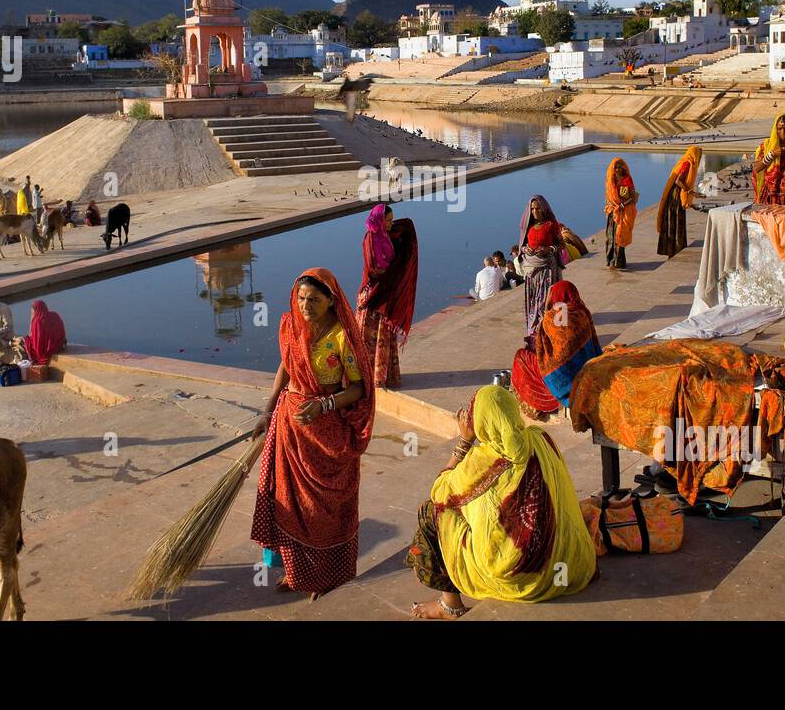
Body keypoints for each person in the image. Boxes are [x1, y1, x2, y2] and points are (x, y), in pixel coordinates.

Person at [405, 383, 596, 619]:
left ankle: (449, 605)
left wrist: (464, 442)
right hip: (567, 562)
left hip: (518, 574)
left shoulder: (484, 460)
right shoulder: (541, 437)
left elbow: (440, 490)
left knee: (431, 512)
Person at [251, 269, 374, 600]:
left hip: (324, 434)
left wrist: (323, 405)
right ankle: (296, 572)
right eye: (301, 298)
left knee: (321, 511)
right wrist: (267, 411)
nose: (305, 305)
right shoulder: (291, 325)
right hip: (288, 429)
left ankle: (327, 576)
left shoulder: (341, 337)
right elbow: (286, 366)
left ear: (331, 301)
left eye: (314, 300)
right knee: (288, 504)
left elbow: (359, 389)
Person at [510, 281, 603, 420]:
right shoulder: (581, 310)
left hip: (566, 377)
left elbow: (546, 345)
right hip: (585, 366)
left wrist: (548, 306)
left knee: (521, 357)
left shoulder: (555, 316)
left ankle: (535, 406)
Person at [356, 204, 418, 390]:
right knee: (368, 339)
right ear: (379, 221)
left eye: (391, 220)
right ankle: (366, 377)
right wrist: (397, 268)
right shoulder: (370, 239)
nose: (391, 224)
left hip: (385, 294)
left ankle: (383, 376)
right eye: (388, 221)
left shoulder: (386, 236)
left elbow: (405, 230)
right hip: (373, 297)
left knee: (383, 337)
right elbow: (376, 269)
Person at [519, 195, 564, 337]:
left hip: (547, 270)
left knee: (544, 300)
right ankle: (535, 331)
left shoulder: (551, 225)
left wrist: (549, 249)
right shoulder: (528, 226)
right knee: (534, 299)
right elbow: (523, 245)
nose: (535, 212)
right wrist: (527, 250)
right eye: (532, 209)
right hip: (532, 271)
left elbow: (561, 244)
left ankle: (546, 327)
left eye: (538, 209)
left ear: (544, 209)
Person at [656, 146, 701, 259]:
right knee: (675, 219)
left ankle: (674, 248)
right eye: (699, 155)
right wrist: (690, 192)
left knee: (675, 220)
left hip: (676, 194)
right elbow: (678, 180)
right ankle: (674, 248)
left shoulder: (686, 162)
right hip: (676, 196)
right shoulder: (687, 164)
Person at [753, 114, 785, 206]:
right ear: (775, 129)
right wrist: (772, 155)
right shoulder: (767, 145)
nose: (783, 132)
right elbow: (756, 168)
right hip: (771, 193)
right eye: (779, 129)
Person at [604, 157, 639, 270]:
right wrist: (609, 205)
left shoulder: (626, 179)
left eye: (620, 166)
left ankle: (619, 262)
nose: (618, 169)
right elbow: (608, 196)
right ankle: (611, 261)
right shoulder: (611, 180)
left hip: (623, 212)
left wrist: (622, 205)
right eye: (616, 167)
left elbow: (632, 197)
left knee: (620, 236)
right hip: (613, 212)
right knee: (611, 237)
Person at [22, 300, 66, 365]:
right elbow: (62, 331)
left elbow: (36, 342)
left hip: (46, 350)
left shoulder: (38, 321)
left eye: (32, 310)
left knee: (26, 340)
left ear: (35, 310)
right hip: (59, 345)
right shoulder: (54, 315)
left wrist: (32, 320)